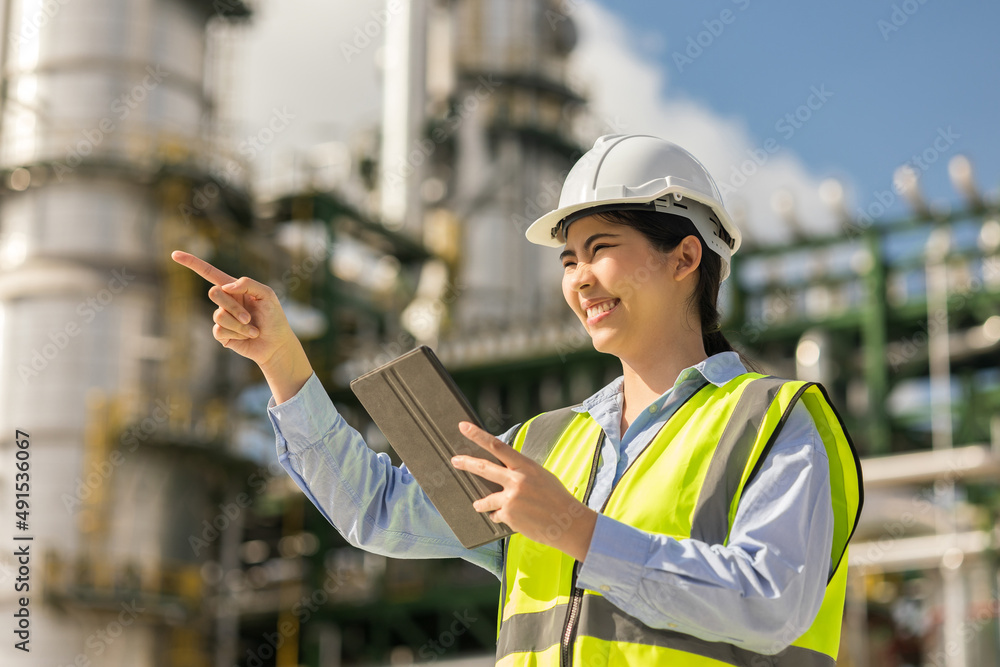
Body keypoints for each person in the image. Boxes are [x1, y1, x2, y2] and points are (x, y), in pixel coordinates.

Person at [172, 133, 863, 667]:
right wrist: (282, 359)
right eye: (568, 260)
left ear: (685, 259)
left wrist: (577, 530)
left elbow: (772, 598)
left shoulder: (774, 419)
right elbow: (376, 511)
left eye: (601, 249)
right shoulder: (544, 444)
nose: (580, 279)